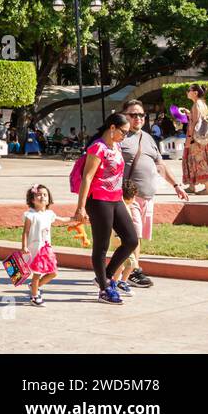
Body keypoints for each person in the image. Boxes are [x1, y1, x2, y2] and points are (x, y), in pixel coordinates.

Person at [71, 112, 139, 304]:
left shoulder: (116, 145)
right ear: (112, 128)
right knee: (102, 246)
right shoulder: (97, 148)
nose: (125, 136)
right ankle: (104, 289)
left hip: (115, 198)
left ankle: (105, 276)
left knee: (131, 239)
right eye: (123, 132)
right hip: (98, 199)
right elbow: (87, 177)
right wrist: (81, 208)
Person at [119, 97, 187, 287]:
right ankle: (133, 271)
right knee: (133, 235)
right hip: (128, 198)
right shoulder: (119, 137)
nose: (138, 118)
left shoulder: (147, 138)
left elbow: (161, 166)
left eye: (141, 115)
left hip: (147, 197)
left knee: (137, 236)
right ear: (124, 115)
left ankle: (123, 270)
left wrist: (176, 186)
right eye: (133, 115)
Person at [21, 184, 58, 306]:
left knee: (53, 273)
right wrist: (24, 246)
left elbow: (63, 219)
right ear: (32, 199)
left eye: (45, 194)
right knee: (37, 273)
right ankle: (34, 296)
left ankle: (34, 287)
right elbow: (25, 232)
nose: (42, 197)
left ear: (49, 199)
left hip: (46, 249)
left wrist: (76, 218)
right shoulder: (30, 215)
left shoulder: (49, 214)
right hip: (35, 248)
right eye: (38, 194)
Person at [114, 180, 144, 295]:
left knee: (120, 264)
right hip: (123, 241)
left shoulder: (119, 206)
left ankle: (116, 282)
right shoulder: (125, 208)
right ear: (132, 196)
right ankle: (121, 282)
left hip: (119, 240)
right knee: (131, 263)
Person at [182, 85, 208, 194]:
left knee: (200, 162)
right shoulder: (202, 104)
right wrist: (189, 114)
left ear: (195, 93)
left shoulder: (196, 105)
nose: (187, 92)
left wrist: (189, 139)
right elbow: (198, 120)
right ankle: (192, 186)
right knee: (194, 160)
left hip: (196, 139)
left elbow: (194, 124)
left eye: (189, 90)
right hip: (203, 138)